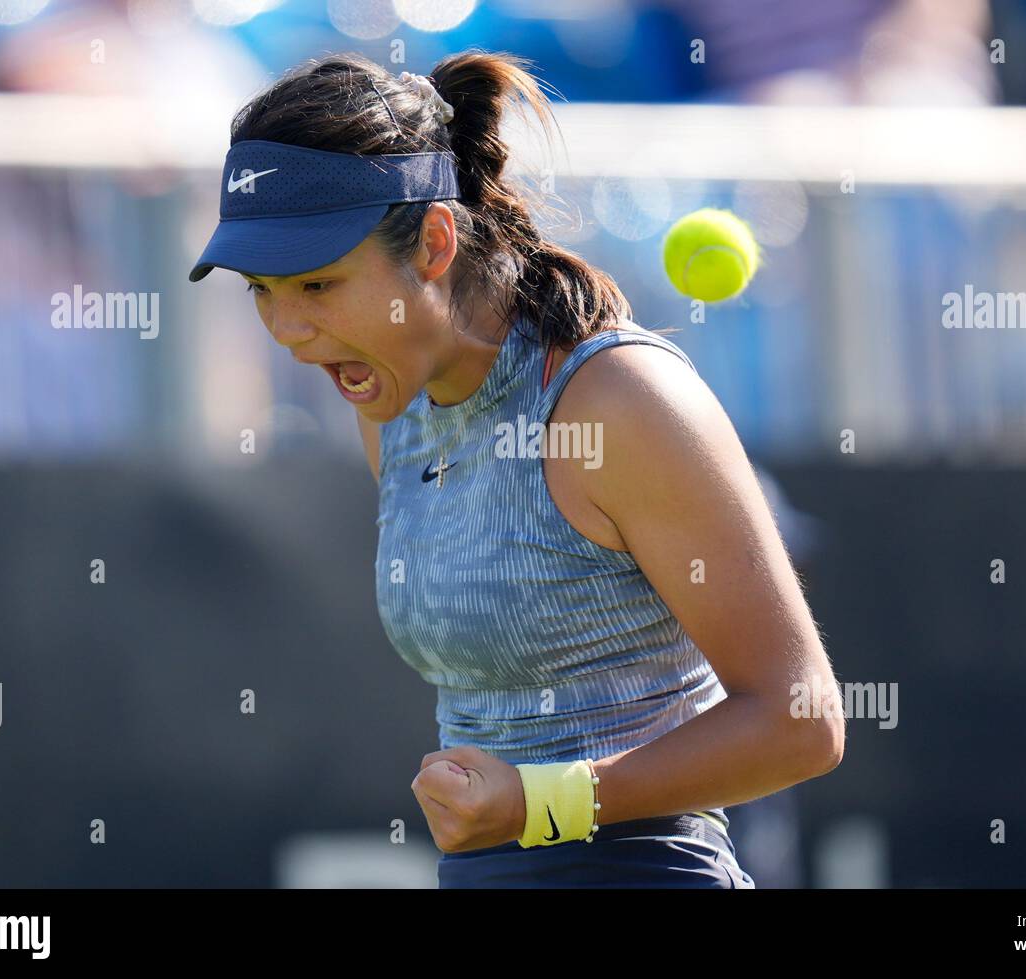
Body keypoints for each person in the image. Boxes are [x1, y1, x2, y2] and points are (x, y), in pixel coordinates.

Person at [188, 50, 843, 888]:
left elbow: (802, 722)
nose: (288, 330)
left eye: (318, 284)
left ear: (433, 242)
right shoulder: (390, 411)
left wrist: (545, 803)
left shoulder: (620, 399)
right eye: (263, 290)